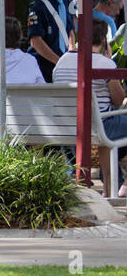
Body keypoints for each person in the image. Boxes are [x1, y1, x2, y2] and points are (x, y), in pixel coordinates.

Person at [53, 19, 127, 197]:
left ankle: (111, 187)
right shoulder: (104, 63)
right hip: (97, 126)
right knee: (110, 124)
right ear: (104, 42)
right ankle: (114, 187)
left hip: (66, 125)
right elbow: (118, 99)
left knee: (106, 128)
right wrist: (108, 61)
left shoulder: (61, 62)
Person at [27, 0, 74, 83]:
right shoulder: (38, 6)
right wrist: (58, 62)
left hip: (63, 68)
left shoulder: (68, 3)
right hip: (42, 67)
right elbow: (35, 41)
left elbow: (70, 33)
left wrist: (71, 57)